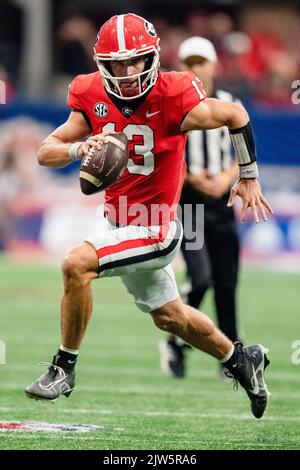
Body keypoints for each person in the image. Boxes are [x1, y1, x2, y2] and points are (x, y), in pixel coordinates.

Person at [25, 13, 273, 419]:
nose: (125, 72)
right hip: (118, 223)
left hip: (156, 227)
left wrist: (248, 175)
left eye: (134, 61)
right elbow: (45, 150)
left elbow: (235, 116)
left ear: (152, 58)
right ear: (101, 63)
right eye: (116, 63)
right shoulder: (90, 94)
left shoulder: (174, 93)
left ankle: (62, 368)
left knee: (75, 264)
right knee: (170, 317)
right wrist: (80, 148)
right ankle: (240, 360)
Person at [159, 37, 241, 379]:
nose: (195, 68)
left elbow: (242, 153)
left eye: (200, 62)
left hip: (222, 204)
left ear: (212, 65)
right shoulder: (174, 106)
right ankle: (177, 341)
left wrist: (224, 178)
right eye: (188, 62)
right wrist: (194, 179)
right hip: (189, 205)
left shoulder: (228, 103)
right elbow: (164, 156)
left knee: (227, 282)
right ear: (181, 67)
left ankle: (232, 352)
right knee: (201, 278)